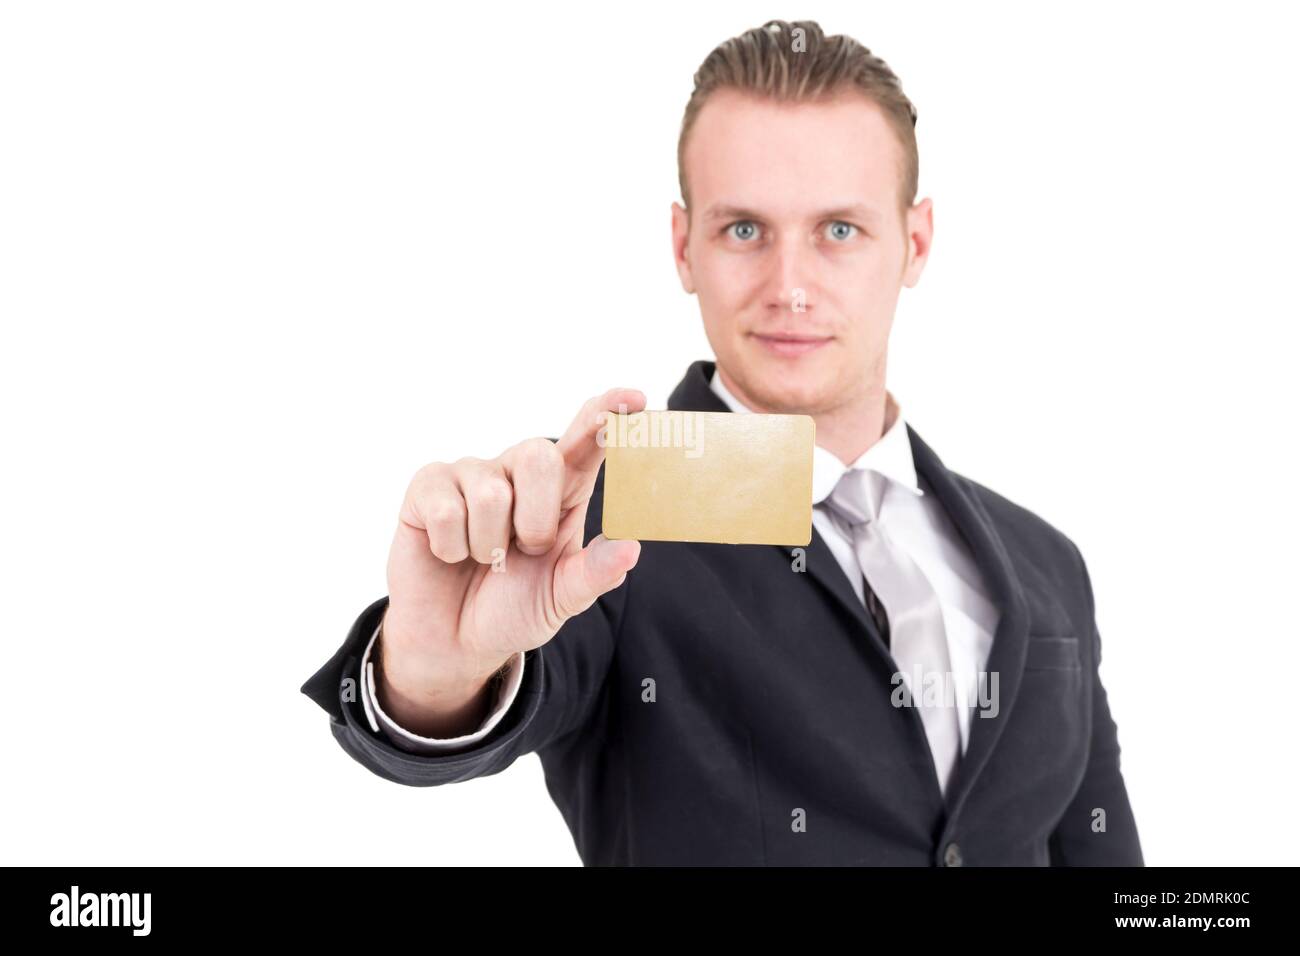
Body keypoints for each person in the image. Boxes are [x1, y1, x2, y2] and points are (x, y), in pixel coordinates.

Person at [301, 19, 1143, 866]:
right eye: (744, 229)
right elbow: (478, 696)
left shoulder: (1047, 562)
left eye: (838, 230)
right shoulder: (596, 510)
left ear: (915, 242)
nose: (791, 289)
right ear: (684, 246)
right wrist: (431, 676)